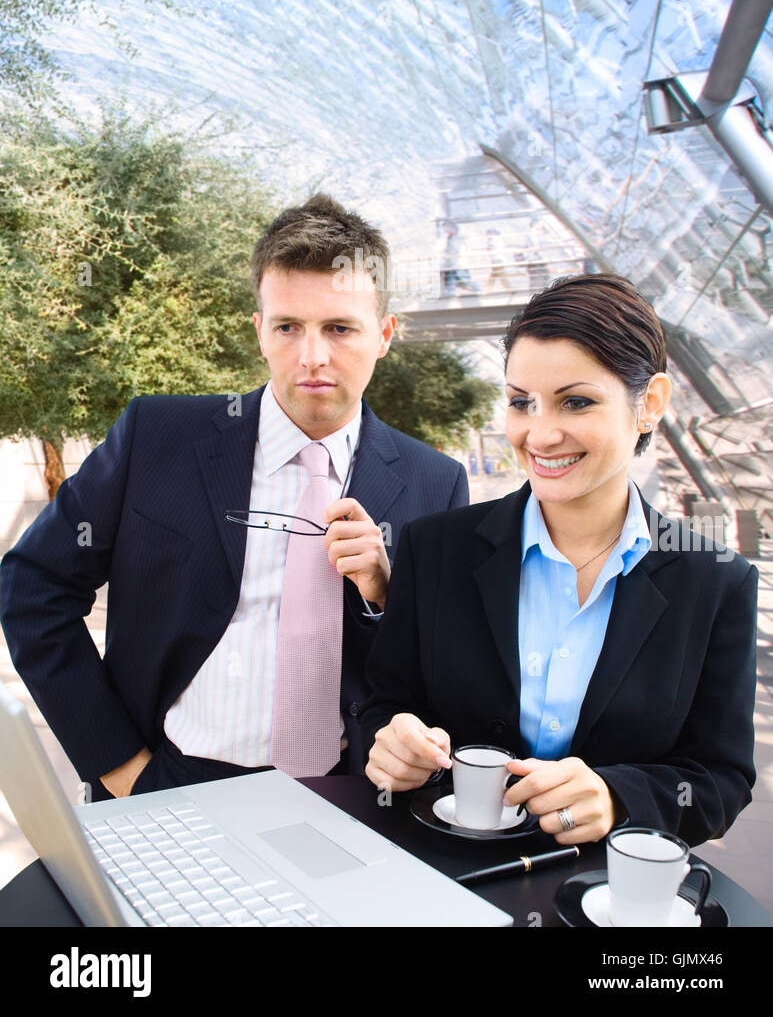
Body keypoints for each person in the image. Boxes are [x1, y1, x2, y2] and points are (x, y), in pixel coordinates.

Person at [0, 195, 469, 799]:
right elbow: (32, 586)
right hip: (164, 784)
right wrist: (119, 767)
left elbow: (439, 667)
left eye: (339, 328)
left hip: (348, 796)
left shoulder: (435, 481)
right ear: (259, 332)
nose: (313, 356)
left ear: (383, 335)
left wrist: (385, 593)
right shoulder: (156, 437)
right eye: (288, 327)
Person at [362, 274, 757, 848]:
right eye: (521, 402)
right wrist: (390, 742)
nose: (540, 434)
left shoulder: (715, 581)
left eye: (576, 401)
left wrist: (617, 797)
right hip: (443, 869)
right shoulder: (435, 548)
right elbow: (387, 705)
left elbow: (719, 779)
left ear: (649, 404)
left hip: (600, 893)